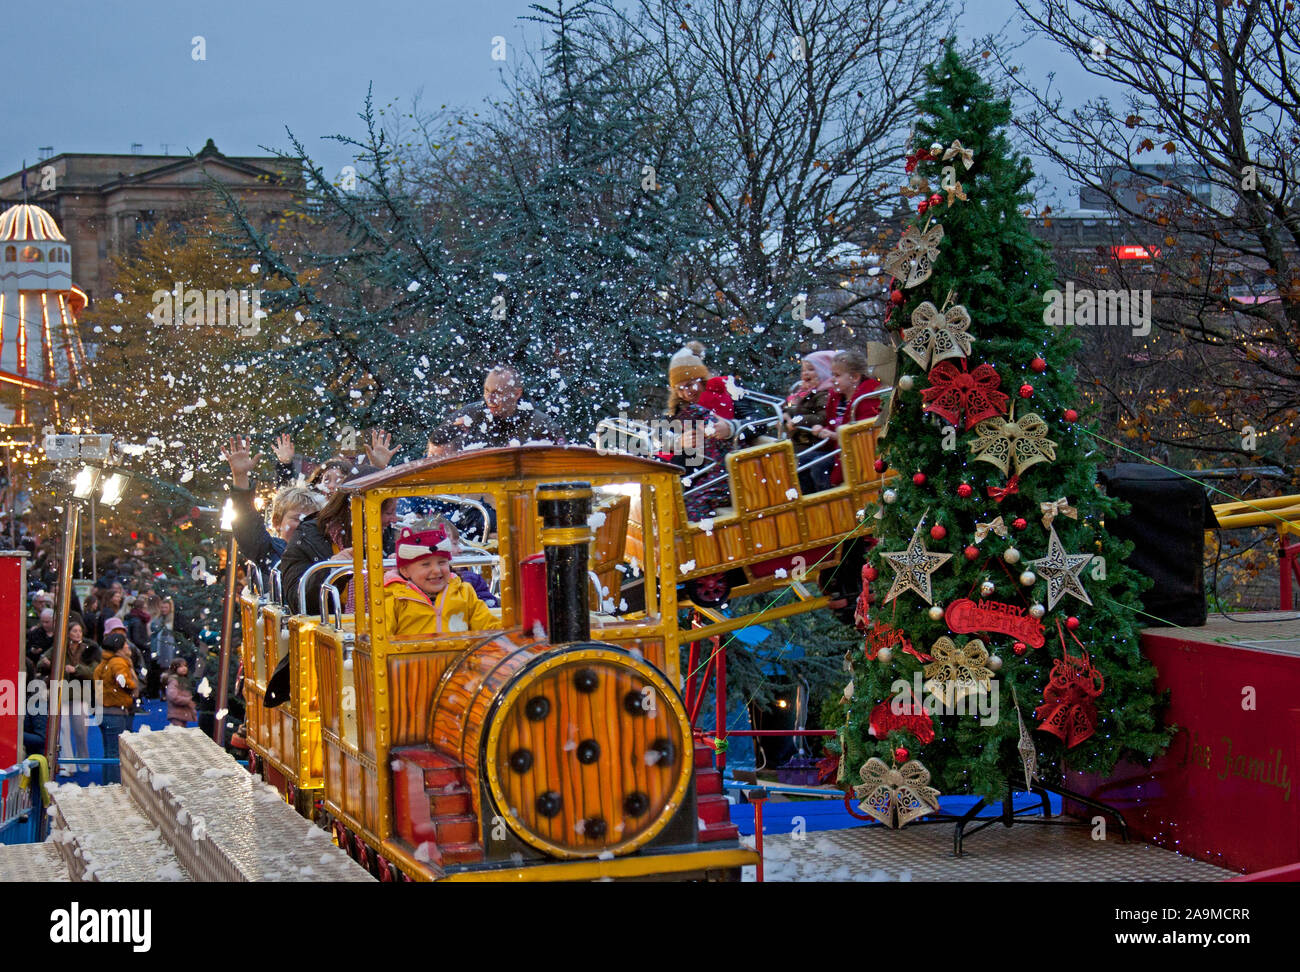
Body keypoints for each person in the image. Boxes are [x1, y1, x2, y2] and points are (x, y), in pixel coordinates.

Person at [221, 434, 326, 572]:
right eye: (297, 518)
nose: (304, 524)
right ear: (277, 523)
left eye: (310, 520)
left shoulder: (324, 553)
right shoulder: (271, 550)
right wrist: (240, 477)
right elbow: (247, 525)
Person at [384, 526, 497, 636]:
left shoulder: (464, 593)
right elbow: (381, 639)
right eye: (425, 564)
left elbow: (489, 628)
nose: (437, 570)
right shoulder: (395, 599)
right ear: (405, 571)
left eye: (442, 562)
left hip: (460, 655)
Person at [665, 344, 736, 520]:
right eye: (679, 389)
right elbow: (662, 440)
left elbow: (757, 423)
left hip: (724, 470)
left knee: (690, 504)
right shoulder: (680, 411)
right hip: (698, 473)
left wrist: (730, 427)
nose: (686, 393)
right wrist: (680, 442)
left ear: (701, 379)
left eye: (689, 385)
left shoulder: (727, 394)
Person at [430, 366, 565, 453]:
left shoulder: (540, 423)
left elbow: (564, 456)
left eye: (498, 393)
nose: (490, 399)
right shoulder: (472, 414)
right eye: (486, 391)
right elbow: (435, 442)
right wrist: (456, 429)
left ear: (517, 394)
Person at [812, 348, 882, 487]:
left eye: (837, 375)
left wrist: (834, 435)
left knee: (819, 467)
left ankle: (830, 502)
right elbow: (833, 425)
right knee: (806, 460)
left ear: (855, 377)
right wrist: (823, 430)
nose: (832, 380)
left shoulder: (868, 397)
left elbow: (864, 435)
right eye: (832, 374)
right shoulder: (837, 398)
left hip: (858, 457)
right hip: (840, 452)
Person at [39, 620, 99, 776]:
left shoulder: (89, 648)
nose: (78, 634)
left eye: (79, 631)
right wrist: (45, 663)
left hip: (80, 694)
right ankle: (68, 766)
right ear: (68, 633)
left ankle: (83, 761)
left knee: (81, 732)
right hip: (62, 693)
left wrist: (77, 669)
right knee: (63, 729)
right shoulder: (59, 647)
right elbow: (42, 661)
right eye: (74, 631)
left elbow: (94, 671)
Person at [785, 350, 838, 493]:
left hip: (813, 444)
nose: (805, 374)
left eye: (811, 369)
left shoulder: (825, 393)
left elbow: (822, 417)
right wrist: (787, 414)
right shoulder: (807, 393)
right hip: (803, 443)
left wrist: (798, 420)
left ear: (823, 371)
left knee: (805, 467)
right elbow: (799, 410)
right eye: (803, 370)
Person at [93, 632, 138, 784]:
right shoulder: (118, 662)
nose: (128, 646)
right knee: (115, 754)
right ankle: (113, 786)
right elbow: (123, 681)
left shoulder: (102, 664)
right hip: (115, 713)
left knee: (108, 752)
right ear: (118, 648)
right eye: (125, 644)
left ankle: (107, 784)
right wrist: (132, 686)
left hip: (103, 712)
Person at [162, 658, 197, 727]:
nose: (184, 668)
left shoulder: (184, 680)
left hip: (183, 712)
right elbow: (173, 696)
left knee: (182, 731)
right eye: (180, 666)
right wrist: (187, 700)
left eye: (185, 666)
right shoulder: (173, 681)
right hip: (176, 713)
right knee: (178, 732)